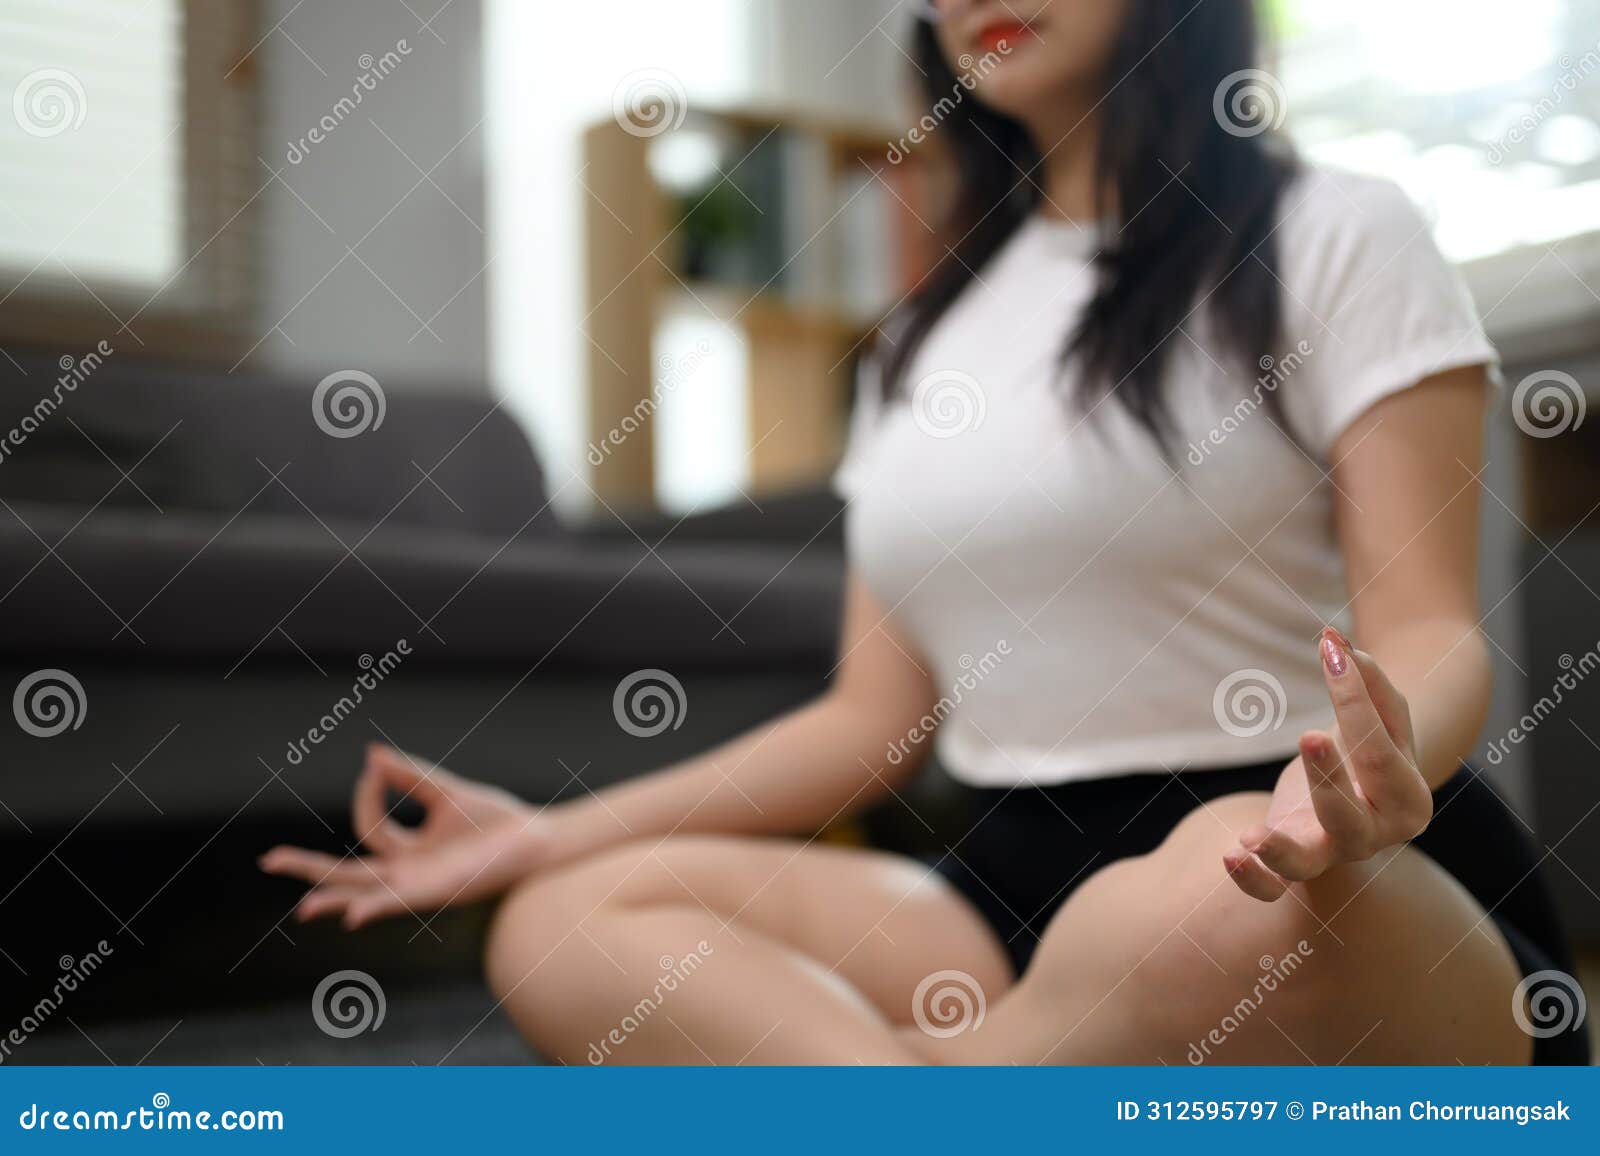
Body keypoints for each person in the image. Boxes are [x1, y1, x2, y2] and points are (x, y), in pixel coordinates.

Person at [262, 0, 1587, 1065]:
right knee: (564, 921)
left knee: (1205, 904)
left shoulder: (1337, 232)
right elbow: (871, 720)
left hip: (1307, 856)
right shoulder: (921, 340)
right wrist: (549, 834)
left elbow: (1429, 628)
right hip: (1000, 894)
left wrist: (1355, 779)